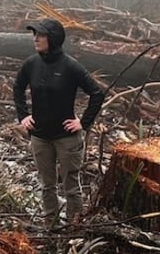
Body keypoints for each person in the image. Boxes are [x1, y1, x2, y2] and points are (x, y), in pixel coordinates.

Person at [13, 17, 106, 230]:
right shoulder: (31, 63)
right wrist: (23, 116)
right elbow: (18, 87)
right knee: (47, 186)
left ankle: (74, 228)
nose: (35, 38)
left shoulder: (70, 66)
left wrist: (83, 122)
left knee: (71, 187)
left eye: (41, 35)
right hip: (40, 136)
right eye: (34, 34)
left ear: (53, 39)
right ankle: (51, 227)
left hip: (67, 138)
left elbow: (96, 93)